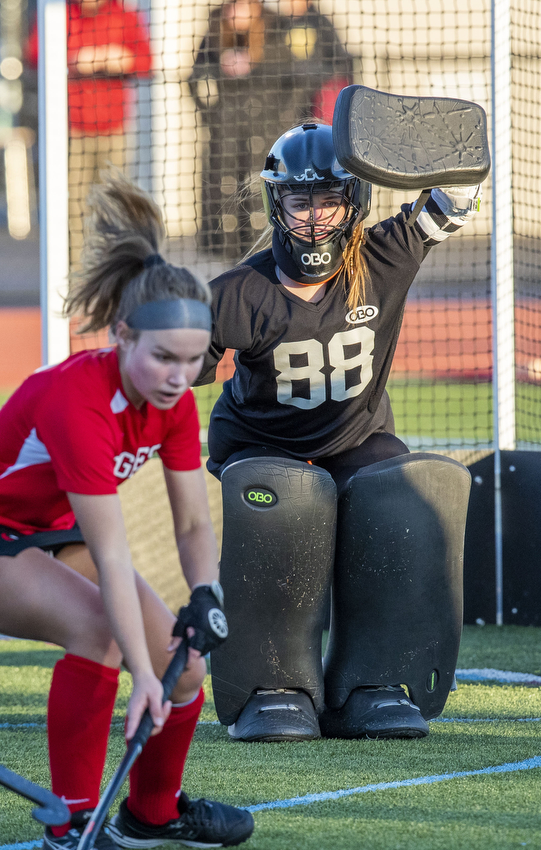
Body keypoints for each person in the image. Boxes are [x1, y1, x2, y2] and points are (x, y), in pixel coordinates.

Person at [0, 174, 254, 850]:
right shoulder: (77, 402)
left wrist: (205, 593)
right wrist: (140, 675)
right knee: (103, 631)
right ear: (123, 335)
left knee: (186, 667)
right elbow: (114, 552)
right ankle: (71, 825)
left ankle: (150, 817)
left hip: (45, 534)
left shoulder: (176, 400)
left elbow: (190, 521)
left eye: (192, 360)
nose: (179, 377)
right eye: (162, 358)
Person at [196, 121, 480, 743]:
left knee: (397, 492)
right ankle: (273, 686)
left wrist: (418, 142)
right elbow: (176, 363)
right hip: (261, 448)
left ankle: (373, 683)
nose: (318, 218)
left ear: (355, 202)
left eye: (331, 200)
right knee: (284, 499)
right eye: (301, 202)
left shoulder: (384, 255)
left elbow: (460, 191)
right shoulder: (242, 290)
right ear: (278, 204)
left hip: (355, 440)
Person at [26, 0, 153, 271]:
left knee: (115, 206)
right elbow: (35, 53)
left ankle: (113, 272)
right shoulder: (59, 12)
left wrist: (119, 58)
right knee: (72, 208)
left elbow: (146, 59)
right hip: (71, 129)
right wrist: (75, 58)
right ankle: (76, 274)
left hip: (114, 128)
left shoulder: (123, 13)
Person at [188, 0, 307, 260]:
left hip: (263, 131)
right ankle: (226, 258)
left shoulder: (274, 31)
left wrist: (281, 119)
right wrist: (212, 115)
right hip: (227, 132)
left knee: (258, 190)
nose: (237, 11)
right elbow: (194, 79)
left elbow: (297, 80)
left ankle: (262, 255)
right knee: (225, 191)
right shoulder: (215, 34)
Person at [275, 0, 352, 122]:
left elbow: (338, 60)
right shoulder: (279, 26)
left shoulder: (321, 23)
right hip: (286, 98)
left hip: (315, 98)